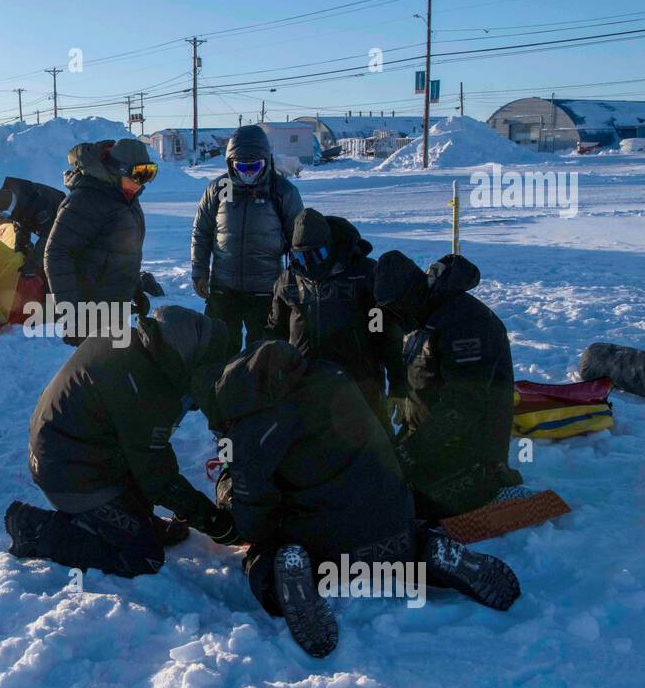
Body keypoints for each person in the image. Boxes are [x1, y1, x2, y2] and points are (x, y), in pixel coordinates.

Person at [197, 340, 521, 657]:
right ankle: (428, 549)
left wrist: (227, 485)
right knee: (395, 532)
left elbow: (252, 523)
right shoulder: (328, 376)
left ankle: (285, 585)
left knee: (266, 552)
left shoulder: (250, 432)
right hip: (394, 519)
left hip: (333, 548)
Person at [4, 306, 232, 578]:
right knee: (143, 557)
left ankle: (134, 522)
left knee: (139, 506)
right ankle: (36, 528)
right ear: (189, 359)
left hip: (74, 451)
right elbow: (157, 477)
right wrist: (214, 521)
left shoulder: (137, 345)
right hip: (67, 474)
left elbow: (147, 454)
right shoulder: (142, 387)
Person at [373, 251, 523, 519]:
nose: (393, 316)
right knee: (370, 481)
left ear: (410, 294)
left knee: (400, 507)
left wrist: (412, 452)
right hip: (433, 441)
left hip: (473, 451)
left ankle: (496, 485)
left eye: (395, 307)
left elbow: (465, 405)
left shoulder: (465, 322)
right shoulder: (423, 316)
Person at [268, 208, 403, 424]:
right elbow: (275, 335)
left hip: (360, 384)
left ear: (330, 247)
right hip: (306, 384)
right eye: (301, 257)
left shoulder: (365, 275)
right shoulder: (288, 282)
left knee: (375, 449)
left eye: (316, 254)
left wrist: (399, 384)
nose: (309, 263)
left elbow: (388, 334)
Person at [191, 124, 304, 355]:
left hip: (266, 290)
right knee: (218, 349)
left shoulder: (282, 191)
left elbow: (298, 239)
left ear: (266, 161)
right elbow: (201, 233)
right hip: (224, 287)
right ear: (230, 163)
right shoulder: (220, 189)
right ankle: (220, 387)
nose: (248, 172)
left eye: (254, 166)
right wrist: (199, 271)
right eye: (241, 166)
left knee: (264, 352)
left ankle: (260, 389)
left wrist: (296, 281)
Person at [43, 139, 157, 343]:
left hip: (114, 306)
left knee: (117, 368)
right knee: (97, 371)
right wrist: (70, 315)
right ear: (117, 170)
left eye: (148, 174)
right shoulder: (86, 200)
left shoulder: (127, 198)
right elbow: (56, 254)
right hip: (89, 309)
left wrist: (135, 288)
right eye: (138, 174)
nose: (141, 182)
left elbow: (122, 251)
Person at [0, 176, 67, 277]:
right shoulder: (18, 203)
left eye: (6, 214)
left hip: (65, 221)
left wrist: (33, 263)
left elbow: (49, 236)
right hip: (47, 224)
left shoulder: (38, 204)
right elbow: (21, 230)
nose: (6, 218)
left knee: (52, 264)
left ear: (12, 207)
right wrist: (20, 255)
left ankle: (50, 292)